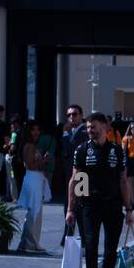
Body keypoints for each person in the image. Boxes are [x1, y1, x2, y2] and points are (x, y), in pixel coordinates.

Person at [66, 113, 134, 268]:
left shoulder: (117, 150)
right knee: (91, 245)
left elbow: (123, 181)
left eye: (93, 126)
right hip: (89, 204)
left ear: (105, 128)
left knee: (111, 246)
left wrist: (129, 209)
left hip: (113, 204)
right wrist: (72, 209)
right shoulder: (81, 150)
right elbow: (76, 180)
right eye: (88, 127)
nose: (90, 130)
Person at [16, 121, 49, 254]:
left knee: (34, 212)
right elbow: (30, 165)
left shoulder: (31, 145)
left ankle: (29, 242)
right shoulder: (29, 146)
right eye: (33, 130)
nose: (36, 132)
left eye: (37, 129)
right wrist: (44, 160)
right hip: (33, 178)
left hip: (35, 178)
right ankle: (30, 243)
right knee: (34, 212)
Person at [60, 104, 89, 244]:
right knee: (68, 204)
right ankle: (68, 235)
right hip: (69, 173)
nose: (72, 117)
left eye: (75, 114)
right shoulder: (67, 131)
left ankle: (83, 238)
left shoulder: (85, 131)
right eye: (69, 115)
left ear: (81, 115)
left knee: (80, 205)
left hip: (81, 174)